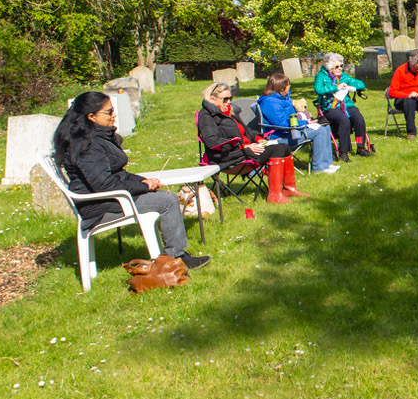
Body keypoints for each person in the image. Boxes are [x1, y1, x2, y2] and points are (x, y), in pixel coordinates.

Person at [53, 92, 210, 270]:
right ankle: (176, 259)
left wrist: (145, 181)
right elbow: (104, 185)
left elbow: (117, 174)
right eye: (109, 111)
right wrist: (142, 186)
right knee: (168, 200)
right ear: (91, 116)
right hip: (100, 207)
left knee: (163, 196)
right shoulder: (87, 145)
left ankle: (174, 255)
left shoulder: (93, 137)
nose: (114, 115)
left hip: (109, 200)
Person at [199, 82, 306, 204]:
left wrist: (258, 139)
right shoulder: (207, 115)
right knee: (277, 149)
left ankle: (289, 189)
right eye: (225, 99)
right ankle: (275, 196)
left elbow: (246, 130)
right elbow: (212, 141)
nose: (228, 102)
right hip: (227, 156)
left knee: (284, 147)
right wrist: (243, 147)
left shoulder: (230, 111)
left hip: (245, 149)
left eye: (230, 98)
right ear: (212, 98)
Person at [257, 73, 339, 174]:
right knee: (319, 130)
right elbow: (281, 124)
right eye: (288, 85)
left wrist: (307, 120)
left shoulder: (283, 99)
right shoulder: (270, 102)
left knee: (324, 126)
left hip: (291, 131)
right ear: (281, 87)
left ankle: (327, 163)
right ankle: (320, 168)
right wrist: (305, 123)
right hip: (279, 137)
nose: (289, 87)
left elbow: (291, 118)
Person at [314, 53, 374, 160]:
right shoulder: (321, 77)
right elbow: (318, 90)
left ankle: (360, 146)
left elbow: (361, 84)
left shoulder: (344, 76)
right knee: (344, 120)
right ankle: (343, 151)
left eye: (341, 66)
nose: (340, 68)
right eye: (336, 66)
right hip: (330, 106)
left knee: (359, 119)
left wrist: (350, 86)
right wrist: (335, 87)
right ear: (329, 67)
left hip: (346, 104)